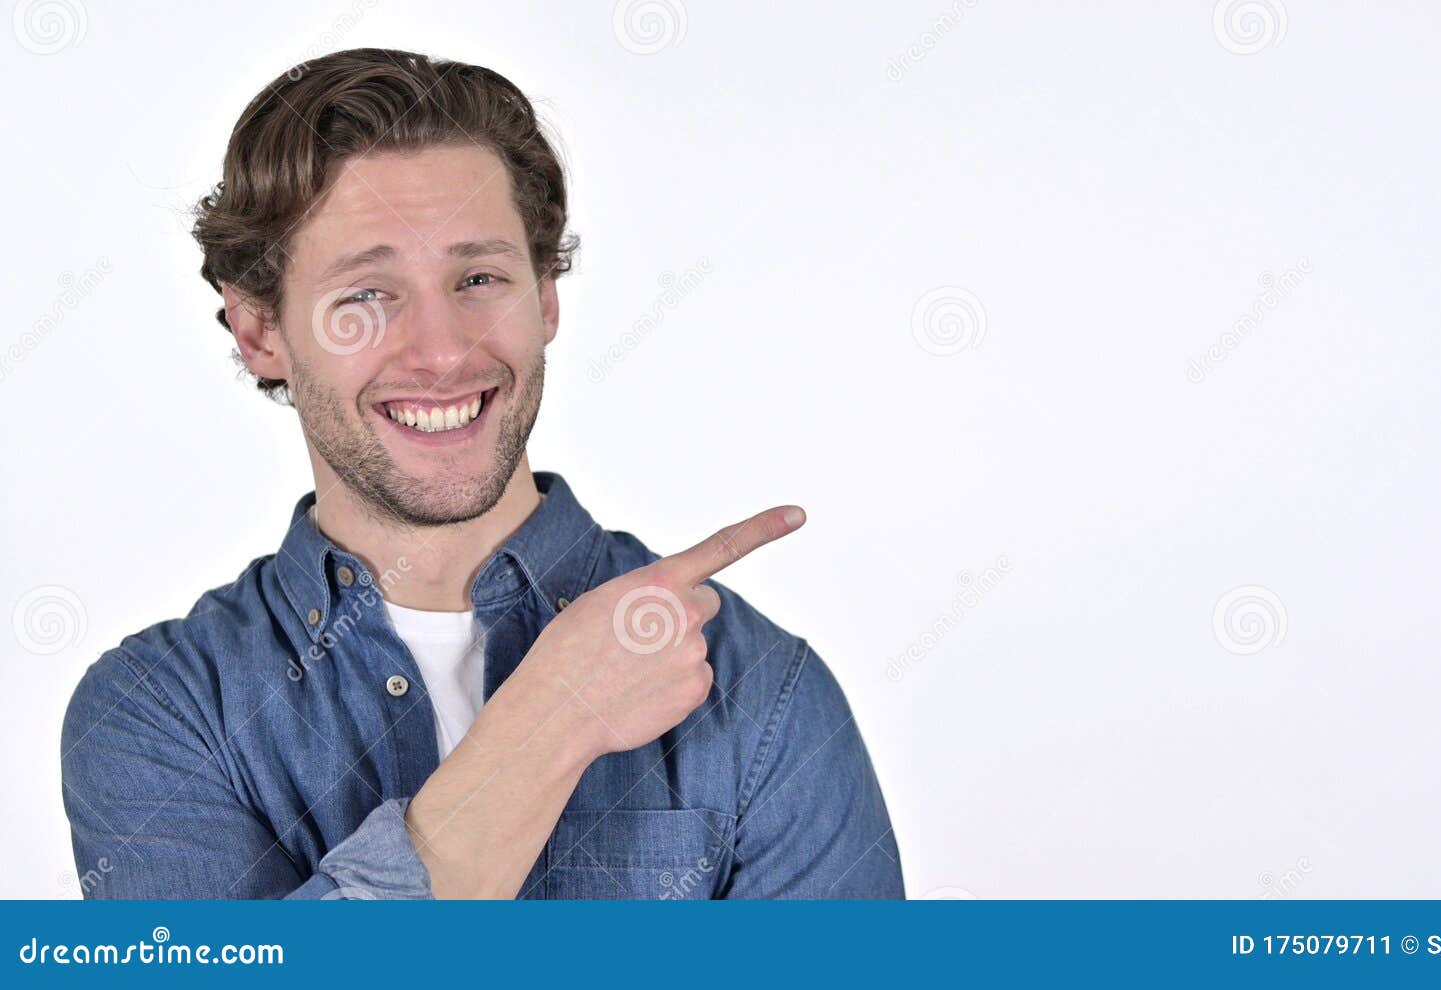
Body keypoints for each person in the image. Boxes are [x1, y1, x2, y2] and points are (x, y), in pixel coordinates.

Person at [59, 47, 902, 900]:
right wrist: (552, 722)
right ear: (260, 335)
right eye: (367, 295)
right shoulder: (160, 710)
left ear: (545, 300)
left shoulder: (761, 690)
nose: (444, 351)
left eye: (478, 277)